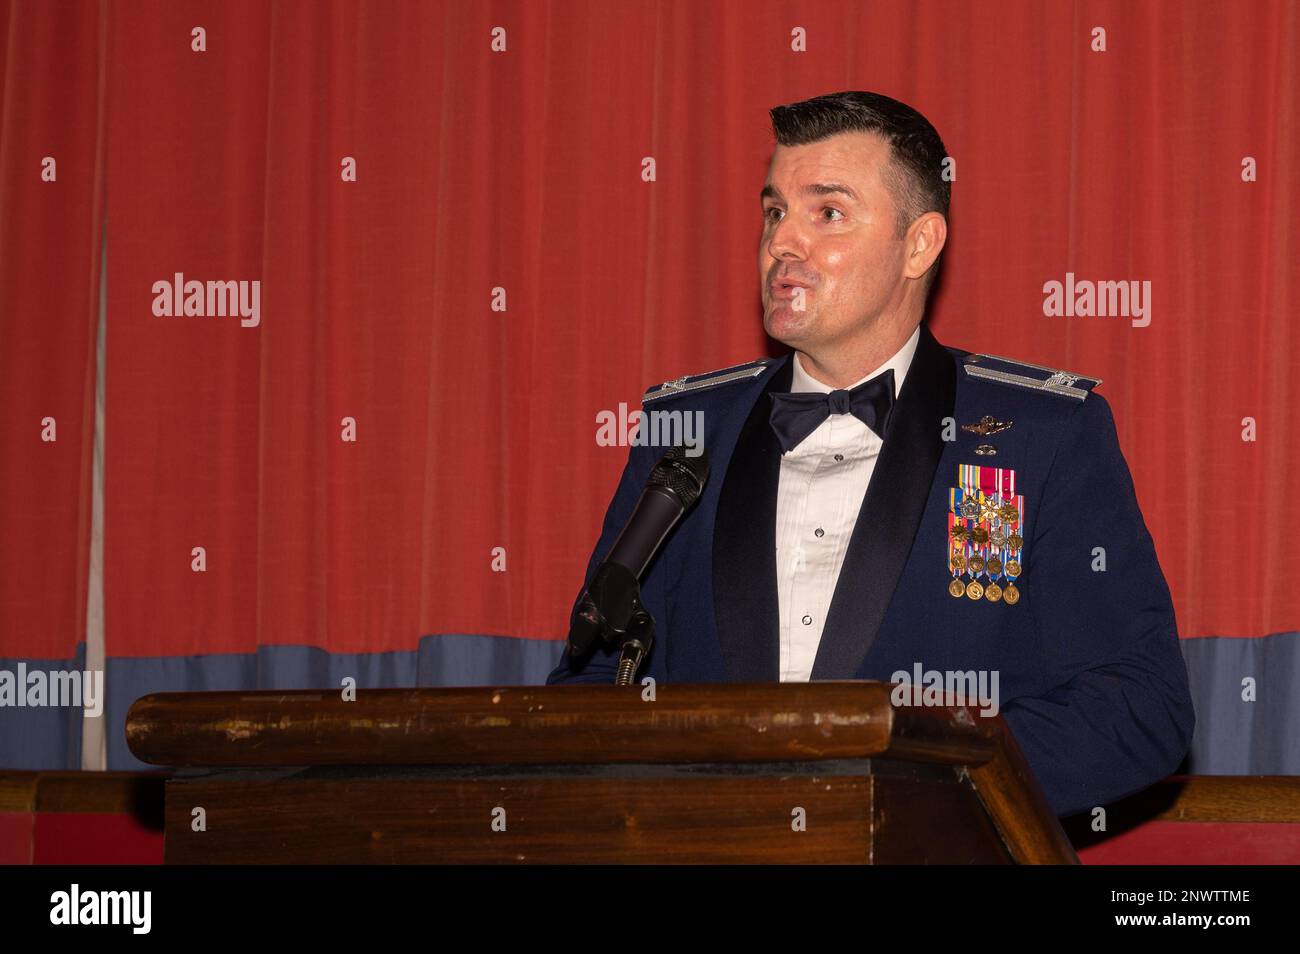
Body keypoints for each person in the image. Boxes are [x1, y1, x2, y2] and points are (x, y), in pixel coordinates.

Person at [547, 90, 1194, 819]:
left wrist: (918, 788)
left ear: (918, 244)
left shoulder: (1042, 435)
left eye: (826, 213)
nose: (781, 244)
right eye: (773, 213)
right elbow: (592, 678)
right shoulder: (687, 427)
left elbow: (1142, 704)